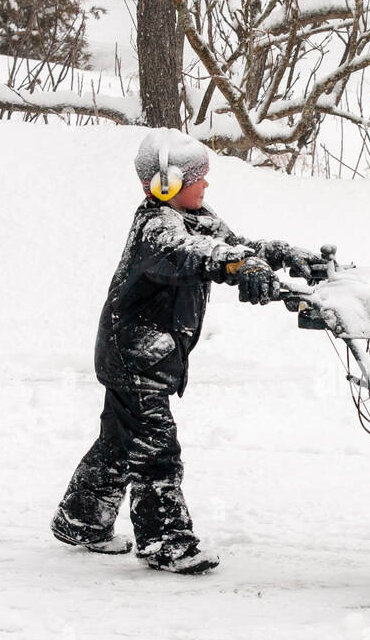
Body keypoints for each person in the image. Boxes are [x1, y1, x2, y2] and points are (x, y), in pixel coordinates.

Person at [51, 128, 309, 575]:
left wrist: (278, 255)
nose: (207, 183)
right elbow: (192, 254)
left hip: (144, 354)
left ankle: (82, 520)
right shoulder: (157, 227)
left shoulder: (195, 215)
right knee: (156, 449)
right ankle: (165, 543)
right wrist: (236, 266)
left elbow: (229, 247)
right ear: (167, 184)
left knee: (120, 442)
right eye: (198, 177)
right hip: (134, 356)